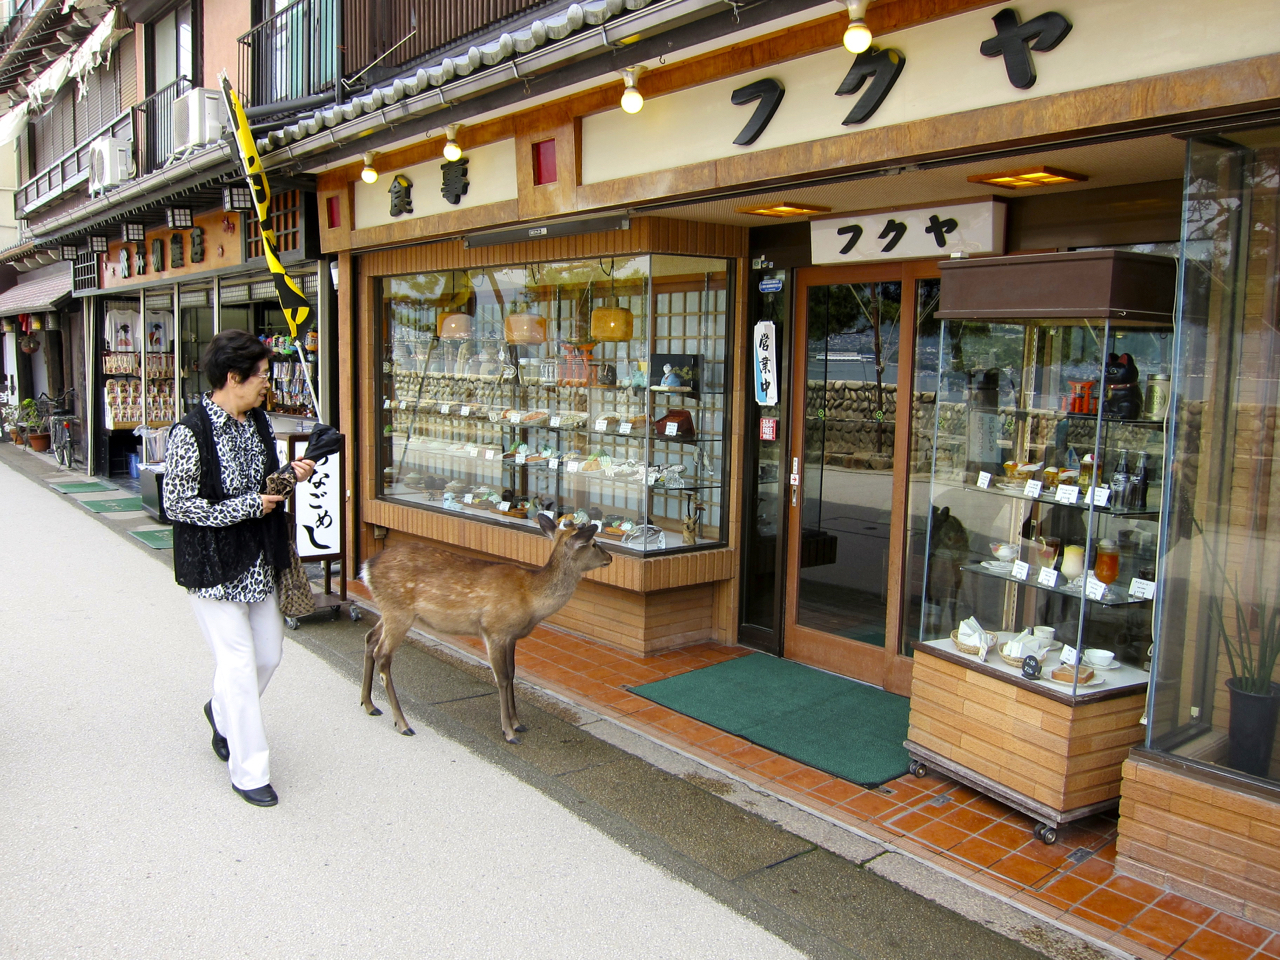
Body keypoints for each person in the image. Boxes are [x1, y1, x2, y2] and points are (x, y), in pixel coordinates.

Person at [164, 330, 314, 807]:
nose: (267, 384)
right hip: (212, 569)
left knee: (268, 656)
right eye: (263, 375)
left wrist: (291, 475)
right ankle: (249, 771)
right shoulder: (190, 431)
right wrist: (249, 506)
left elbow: (264, 485)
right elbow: (178, 504)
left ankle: (221, 713)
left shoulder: (259, 422)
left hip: (259, 560)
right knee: (238, 665)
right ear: (234, 378)